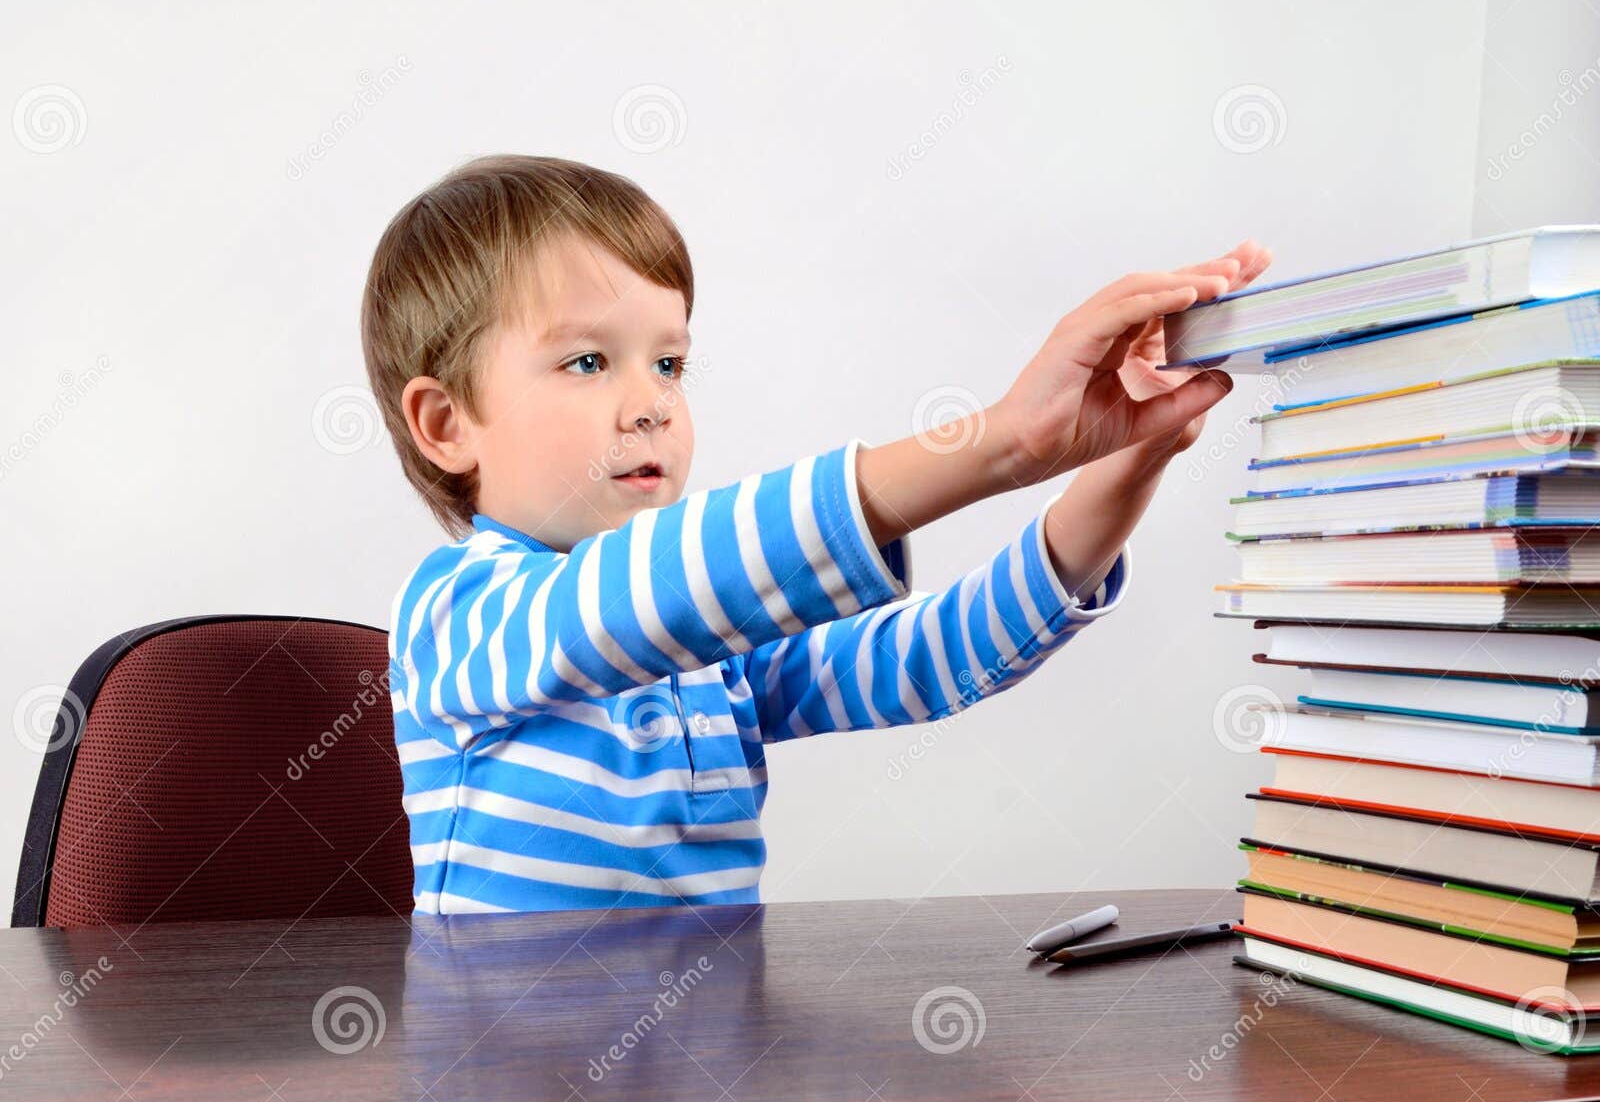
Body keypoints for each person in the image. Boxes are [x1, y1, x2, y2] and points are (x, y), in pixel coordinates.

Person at [361, 153, 1269, 914]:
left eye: (670, 363)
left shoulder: (711, 651)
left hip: (703, 1091)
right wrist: (1002, 441)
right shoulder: (458, 615)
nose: (652, 405)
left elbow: (930, 658)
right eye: (588, 361)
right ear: (445, 424)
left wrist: (1124, 465)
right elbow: (632, 604)